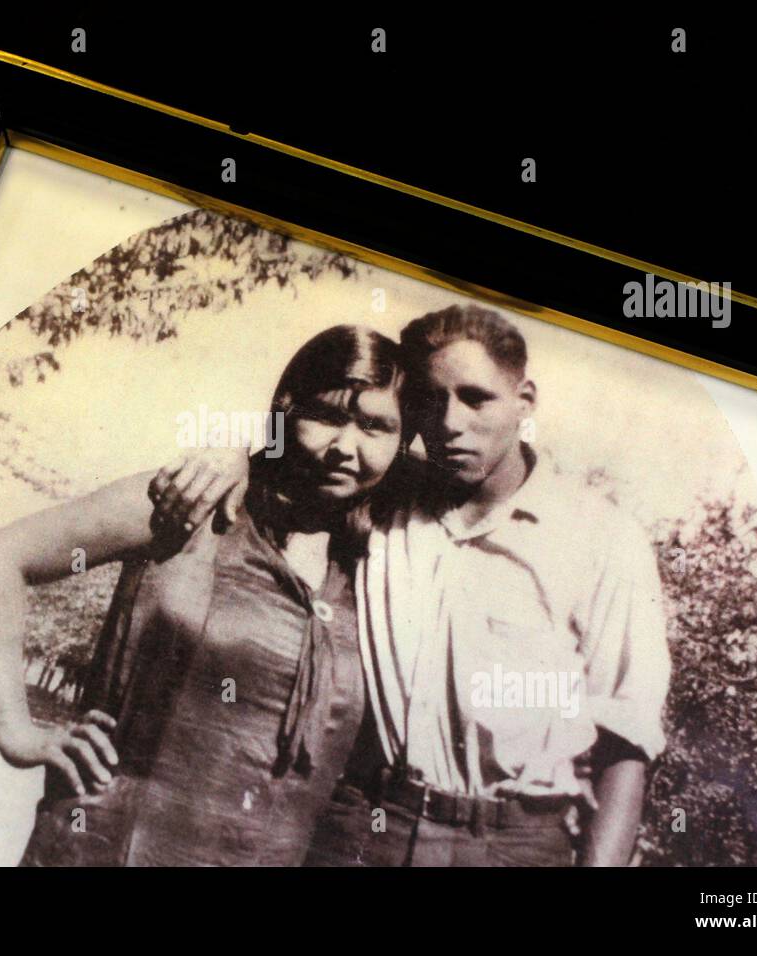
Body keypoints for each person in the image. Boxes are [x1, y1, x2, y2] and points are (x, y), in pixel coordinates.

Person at [152, 304, 672, 866]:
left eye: (476, 398)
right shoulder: (384, 497)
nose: (449, 422)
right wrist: (236, 458)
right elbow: (306, 454)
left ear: (525, 401)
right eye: (428, 399)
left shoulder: (602, 537)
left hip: (514, 842)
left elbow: (627, 739)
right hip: (366, 823)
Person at [0, 325, 406, 865]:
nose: (345, 448)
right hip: (107, 845)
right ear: (286, 411)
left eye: (376, 426)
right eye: (327, 416)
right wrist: (19, 734)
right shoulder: (192, 502)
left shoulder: (383, 565)